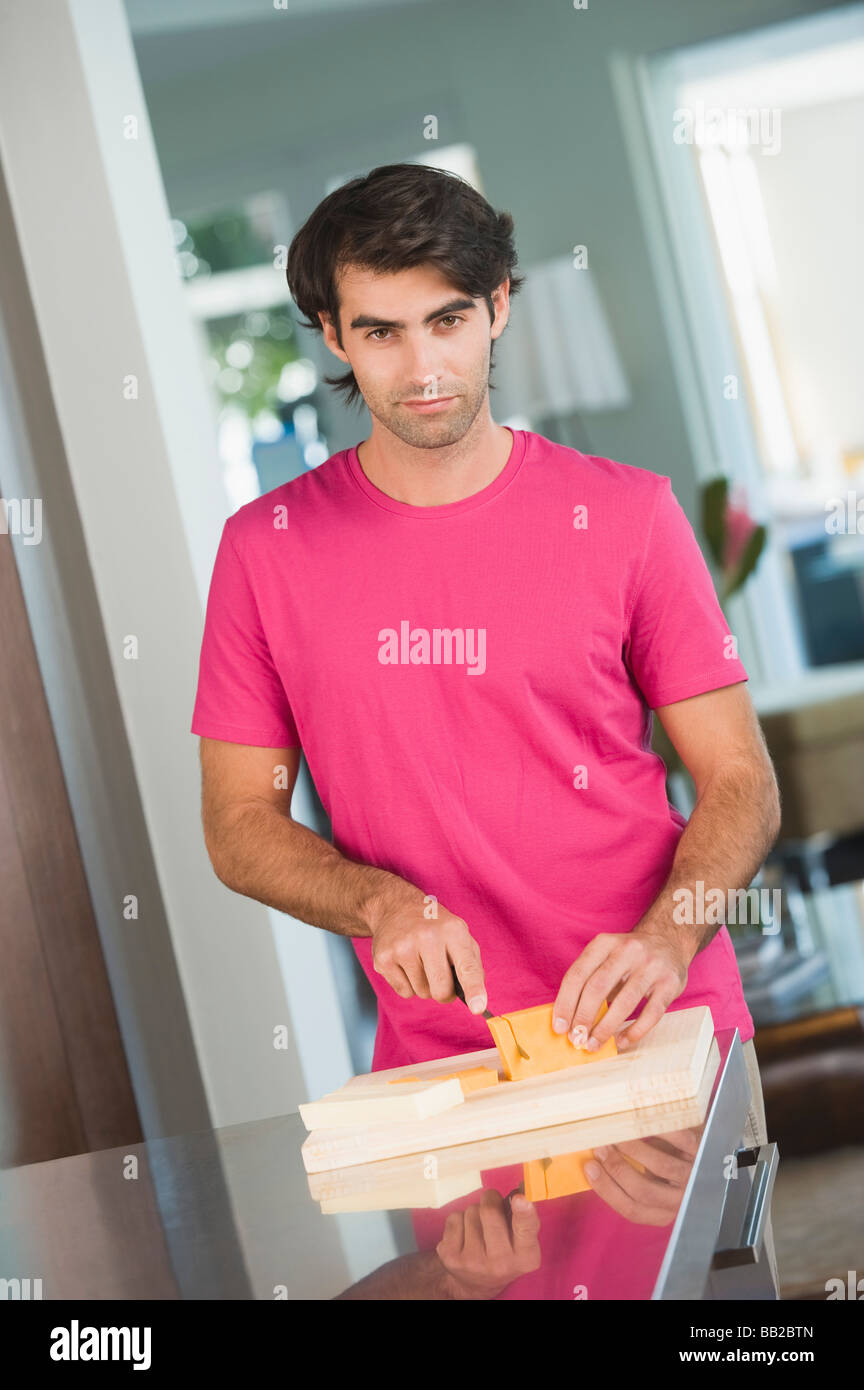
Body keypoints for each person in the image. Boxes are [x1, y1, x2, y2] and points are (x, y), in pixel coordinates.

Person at [190, 165, 780, 1274]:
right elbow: (237, 824)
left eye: (450, 320)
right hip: (448, 1088)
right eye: (381, 332)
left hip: (665, 1037)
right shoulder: (263, 553)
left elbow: (743, 782)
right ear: (331, 333)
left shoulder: (630, 516)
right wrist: (379, 903)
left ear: (499, 305)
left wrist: (667, 937)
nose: (422, 369)